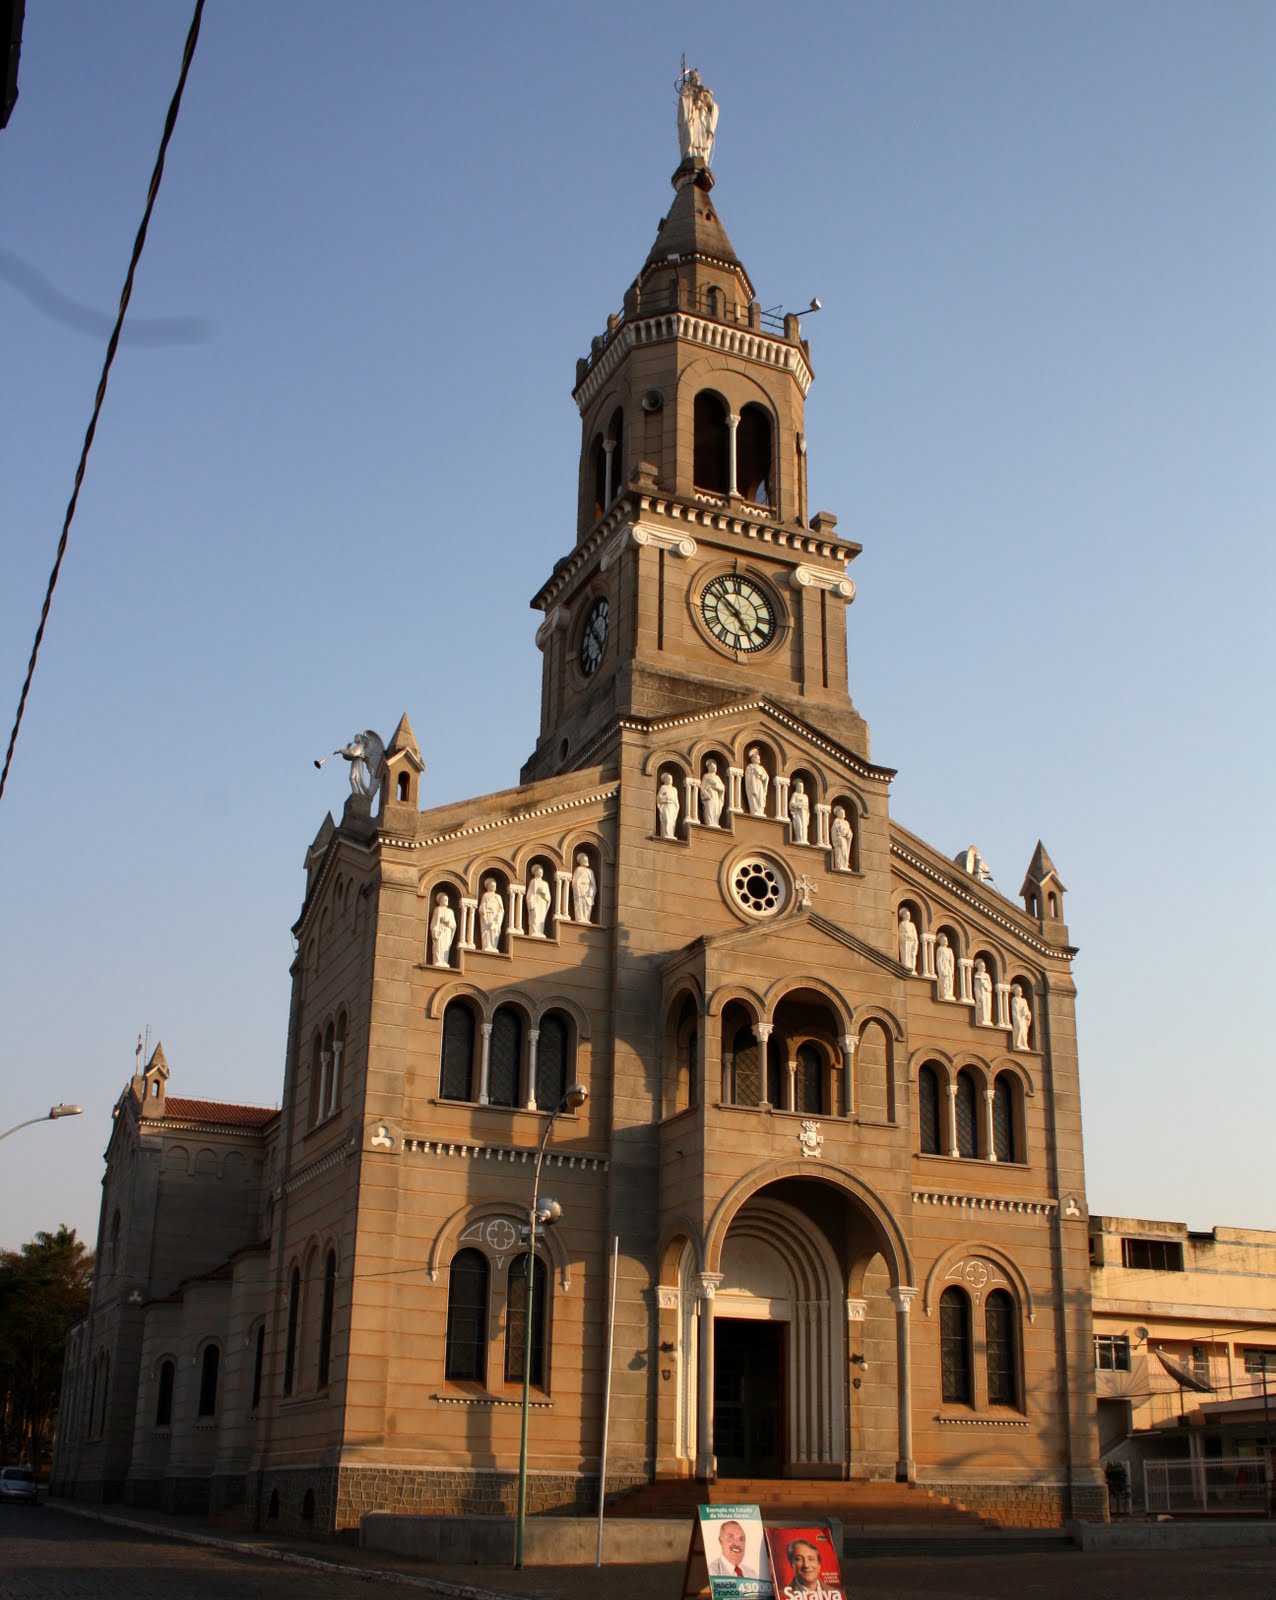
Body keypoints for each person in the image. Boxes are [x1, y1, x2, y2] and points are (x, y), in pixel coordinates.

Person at [429, 893, 456, 968]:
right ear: (440, 901)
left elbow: (454, 925)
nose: (446, 900)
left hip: (447, 931)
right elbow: (434, 922)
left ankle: (444, 961)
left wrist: (447, 922)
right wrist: (435, 930)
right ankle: (437, 961)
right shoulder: (437, 909)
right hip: (439, 930)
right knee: (438, 946)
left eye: (447, 899)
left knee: (445, 947)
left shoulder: (450, 911)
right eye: (444, 899)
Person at [478, 878, 504, 952]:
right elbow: (481, 907)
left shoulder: (498, 897)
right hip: (488, 915)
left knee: (495, 930)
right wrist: (483, 911)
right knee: (487, 930)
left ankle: (493, 946)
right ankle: (487, 945)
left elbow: (501, 909)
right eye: (491, 885)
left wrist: (498, 918)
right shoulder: (485, 895)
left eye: (494, 885)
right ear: (488, 886)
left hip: (495, 916)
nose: (493, 886)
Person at [526, 865, 551, 938]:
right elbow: (530, 893)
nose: (541, 872)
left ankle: (540, 931)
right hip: (535, 901)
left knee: (541, 917)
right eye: (539, 871)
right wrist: (530, 903)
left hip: (542, 902)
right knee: (535, 916)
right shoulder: (533, 881)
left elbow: (548, 896)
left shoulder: (545, 883)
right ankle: (534, 931)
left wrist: (544, 894)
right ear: (535, 873)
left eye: (541, 871)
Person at [700, 759, 727, 828]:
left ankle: (715, 822)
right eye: (713, 767)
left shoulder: (717, 777)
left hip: (716, 796)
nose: (715, 768)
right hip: (709, 795)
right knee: (709, 808)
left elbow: (722, 788)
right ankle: (710, 822)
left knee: (716, 809)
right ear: (709, 767)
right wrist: (706, 792)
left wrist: (716, 786)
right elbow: (702, 787)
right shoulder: (706, 776)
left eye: (715, 767)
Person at [572, 852, 597, 923]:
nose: (587, 861)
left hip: (587, 889)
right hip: (580, 889)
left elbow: (593, 884)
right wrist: (578, 889)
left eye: (587, 860)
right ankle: (580, 917)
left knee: (587, 905)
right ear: (581, 861)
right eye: (585, 860)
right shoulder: (578, 869)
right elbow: (575, 881)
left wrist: (591, 890)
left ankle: (586, 918)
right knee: (580, 903)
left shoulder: (590, 871)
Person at [743, 748, 768, 816]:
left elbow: (766, 777)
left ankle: (760, 811)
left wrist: (761, 776)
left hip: (759, 784)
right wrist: (753, 775)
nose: (758, 759)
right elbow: (748, 777)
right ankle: (754, 810)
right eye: (756, 758)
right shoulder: (750, 767)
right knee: (754, 796)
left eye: (759, 758)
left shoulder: (761, 768)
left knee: (760, 798)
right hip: (753, 784)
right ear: (752, 759)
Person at [656, 772, 680, 839]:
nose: (670, 780)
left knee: (672, 822)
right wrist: (666, 800)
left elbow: (676, 800)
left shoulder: (674, 789)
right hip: (665, 807)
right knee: (666, 820)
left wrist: (677, 807)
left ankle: (671, 834)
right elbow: (659, 798)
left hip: (672, 807)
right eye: (668, 778)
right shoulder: (663, 787)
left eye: (671, 778)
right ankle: (666, 834)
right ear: (665, 780)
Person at [1011, 982, 1033, 1051]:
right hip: (1018, 1018)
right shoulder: (1014, 999)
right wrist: (1017, 1017)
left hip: (1024, 1018)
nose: (1019, 992)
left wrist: (1026, 1013)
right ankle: (1018, 1043)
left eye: (1020, 990)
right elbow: (1015, 1009)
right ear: (1015, 992)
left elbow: (1026, 1009)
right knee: (1019, 1029)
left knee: (1023, 1031)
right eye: (1017, 990)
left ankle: (1024, 1044)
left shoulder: (1024, 1000)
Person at [830, 805, 852, 871]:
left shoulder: (846, 823)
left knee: (845, 853)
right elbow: (834, 830)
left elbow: (849, 831)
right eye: (841, 813)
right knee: (839, 853)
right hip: (839, 840)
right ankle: (839, 865)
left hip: (845, 840)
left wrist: (848, 834)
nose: (843, 814)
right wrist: (837, 838)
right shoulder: (836, 821)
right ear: (838, 814)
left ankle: (845, 865)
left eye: (843, 813)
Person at [788, 779, 810, 845]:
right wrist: (798, 805)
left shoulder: (805, 796)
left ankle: (804, 839)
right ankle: (799, 839)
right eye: (799, 786)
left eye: (802, 786)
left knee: (804, 827)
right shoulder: (795, 795)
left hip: (804, 814)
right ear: (796, 787)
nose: (801, 788)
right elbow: (792, 804)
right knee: (799, 826)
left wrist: (807, 815)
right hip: (798, 813)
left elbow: (807, 807)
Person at [898, 908, 919, 974]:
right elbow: (900, 934)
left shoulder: (912, 924)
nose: (908, 916)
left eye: (909, 915)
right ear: (903, 916)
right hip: (905, 943)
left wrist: (915, 942)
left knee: (912, 955)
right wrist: (905, 936)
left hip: (911, 942)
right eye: (907, 915)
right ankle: (905, 967)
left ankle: (912, 968)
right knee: (906, 955)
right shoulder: (901, 924)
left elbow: (915, 934)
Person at [935, 933, 955, 1001]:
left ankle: (949, 993)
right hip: (944, 966)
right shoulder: (940, 949)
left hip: (948, 967)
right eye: (943, 940)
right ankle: (944, 993)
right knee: (944, 980)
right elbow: (939, 961)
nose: (945, 941)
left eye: (946, 940)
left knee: (950, 981)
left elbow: (952, 960)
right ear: (940, 941)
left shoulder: (949, 950)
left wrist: (952, 969)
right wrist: (941, 970)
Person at [973, 959, 993, 1026]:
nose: (983, 967)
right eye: (981, 966)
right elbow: (976, 987)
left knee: (987, 1006)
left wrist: (986, 985)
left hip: (987, 993)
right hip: (981, 994)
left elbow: (990, 986)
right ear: (978, 967)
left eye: (983, 966)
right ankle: (983, 1019)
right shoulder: (977, 975)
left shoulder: (987, 976)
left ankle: (987, 1019)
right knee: (982, 1006)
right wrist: (978, 996)